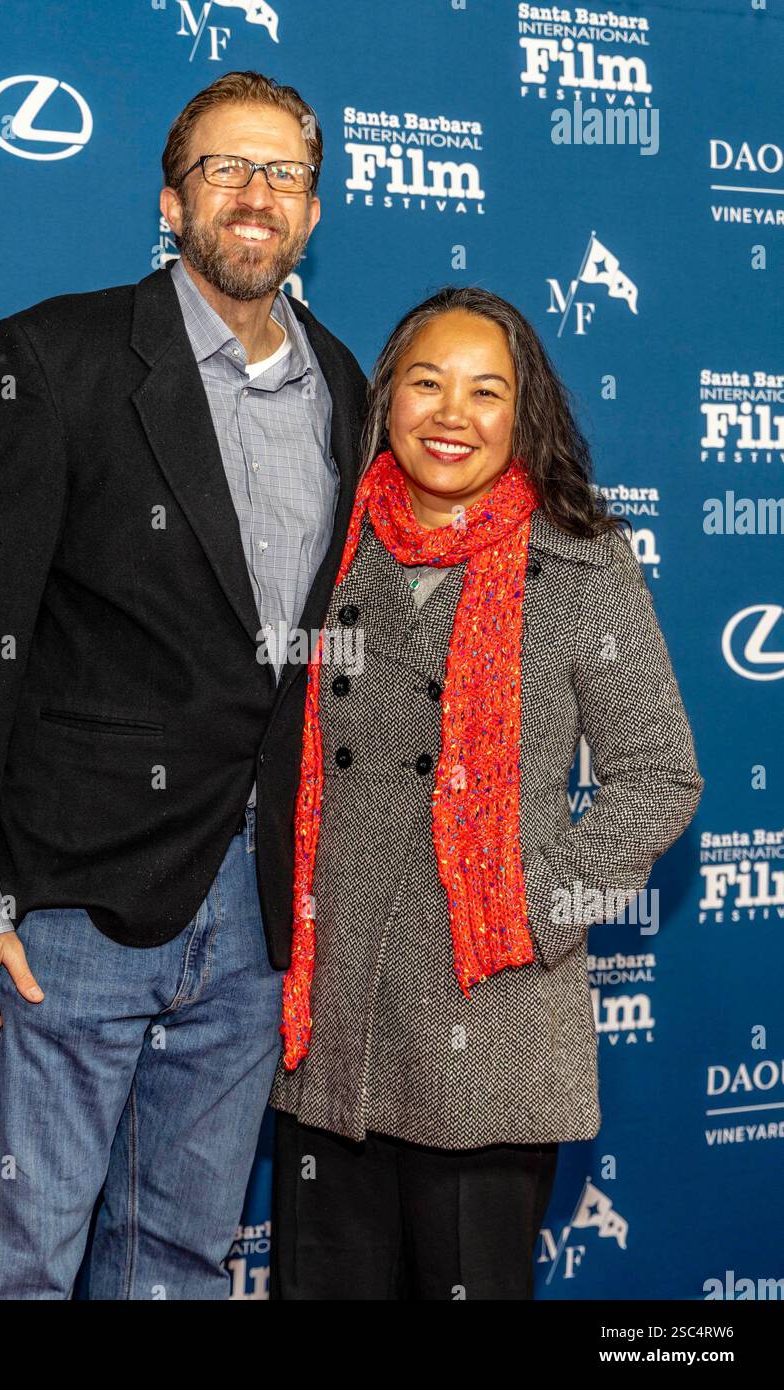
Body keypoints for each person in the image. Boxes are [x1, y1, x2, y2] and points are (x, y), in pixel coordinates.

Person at [0, 71, 368, 1300]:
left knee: (176, 1257)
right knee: (18, 1261)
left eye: (283, 173)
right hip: (77, 896)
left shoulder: (345, 384)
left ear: (312, 211)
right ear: (171, 203)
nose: (255, 194)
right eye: (225, 168)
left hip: (260, 907)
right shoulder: (55, 357)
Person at [268, 286, 705, 1300]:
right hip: (329, 1032)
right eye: (427, 383)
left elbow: (657, 776)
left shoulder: (579, 560)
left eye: (484, 391)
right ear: (386, 398)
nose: (451, 414)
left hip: (491, 1023)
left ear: (522, 412)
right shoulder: (329, 546)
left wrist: (529, 906)